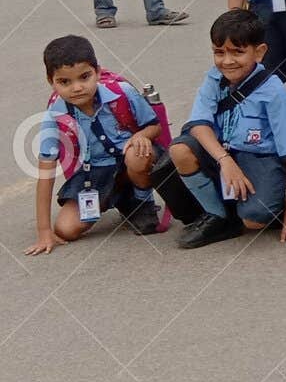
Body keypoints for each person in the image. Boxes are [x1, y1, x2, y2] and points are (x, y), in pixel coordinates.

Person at [26, 34, 199, 253]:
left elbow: (155, 127)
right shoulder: (54, 117)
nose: (77, 87)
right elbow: (45, 173)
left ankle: (141, 204)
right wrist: (44, 232)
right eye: (64, 82)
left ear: (97, 72)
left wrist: (141, 136)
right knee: (65, 229)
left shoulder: (122, 93)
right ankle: (120, 198)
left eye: (84, 77)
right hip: (93, 175)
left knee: (137, 154)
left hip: (131, 162)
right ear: (51, 82)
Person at [164, 8, 286, 248]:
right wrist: (225, 160)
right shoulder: (214, 79)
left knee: (254, 220)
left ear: (259, 52)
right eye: (219, 52)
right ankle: (218, 216)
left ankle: (261, 205)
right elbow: (199, 125)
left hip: (258, 159)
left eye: (237, 52)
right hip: (222, 154)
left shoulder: (275, 94)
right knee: (180, 150)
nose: (227, 61)